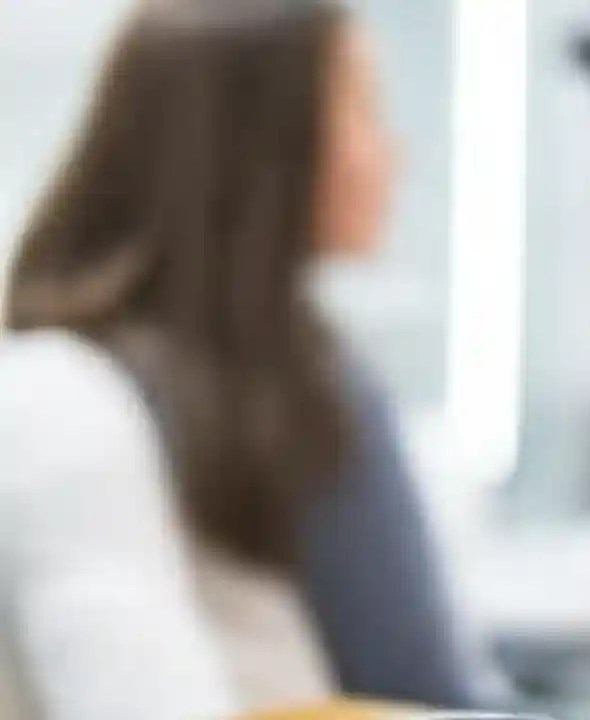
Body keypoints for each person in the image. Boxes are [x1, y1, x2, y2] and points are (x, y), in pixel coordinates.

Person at [0, 1, 469, 717]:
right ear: (268, 144)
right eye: (364, 110)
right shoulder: (291, 390)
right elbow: (424, 684)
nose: (391, 152)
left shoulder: (67, 373)